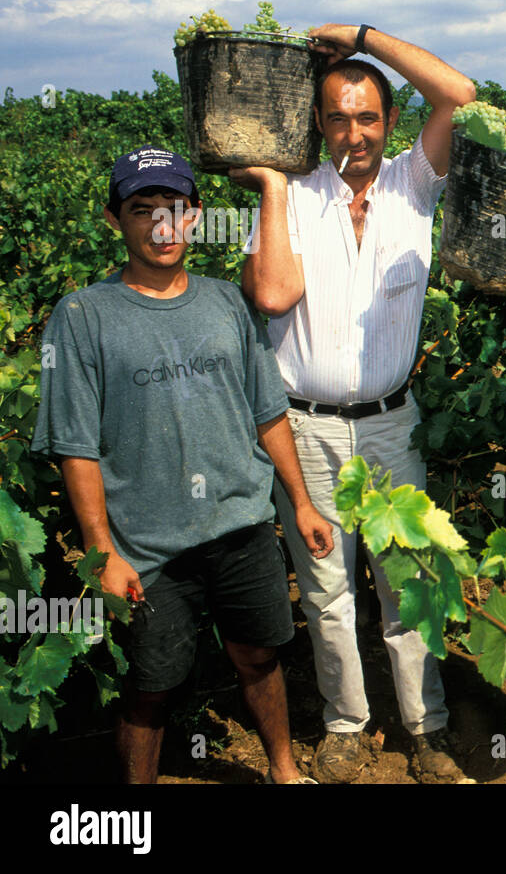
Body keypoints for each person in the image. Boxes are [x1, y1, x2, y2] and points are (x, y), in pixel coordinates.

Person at [32, 146, 333, 784]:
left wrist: (300, 502)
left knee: (259, 657)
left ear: (195, 215)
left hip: (241, 523)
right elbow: (74, 446)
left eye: (175, 207)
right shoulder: (83, 317)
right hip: (147, 546)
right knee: (152, 685)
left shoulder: (228, 302)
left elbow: (267, 412)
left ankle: (284, 770)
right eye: (143, 210)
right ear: (115, 221)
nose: (161, 225)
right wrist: (101, 550)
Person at [234, 23, 476, 783]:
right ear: (316, 122)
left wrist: (365, 36)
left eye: (368, 117)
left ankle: (427, 729)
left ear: (391, 123)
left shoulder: (416, 183)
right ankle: (346, 726)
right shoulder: (293, 196)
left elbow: (460, 94)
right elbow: (271, 293)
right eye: (337, 117)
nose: (354, 133)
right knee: (327, 589)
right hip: (304, 427)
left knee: (406, 579)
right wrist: (274, 185)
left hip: (392, 426)